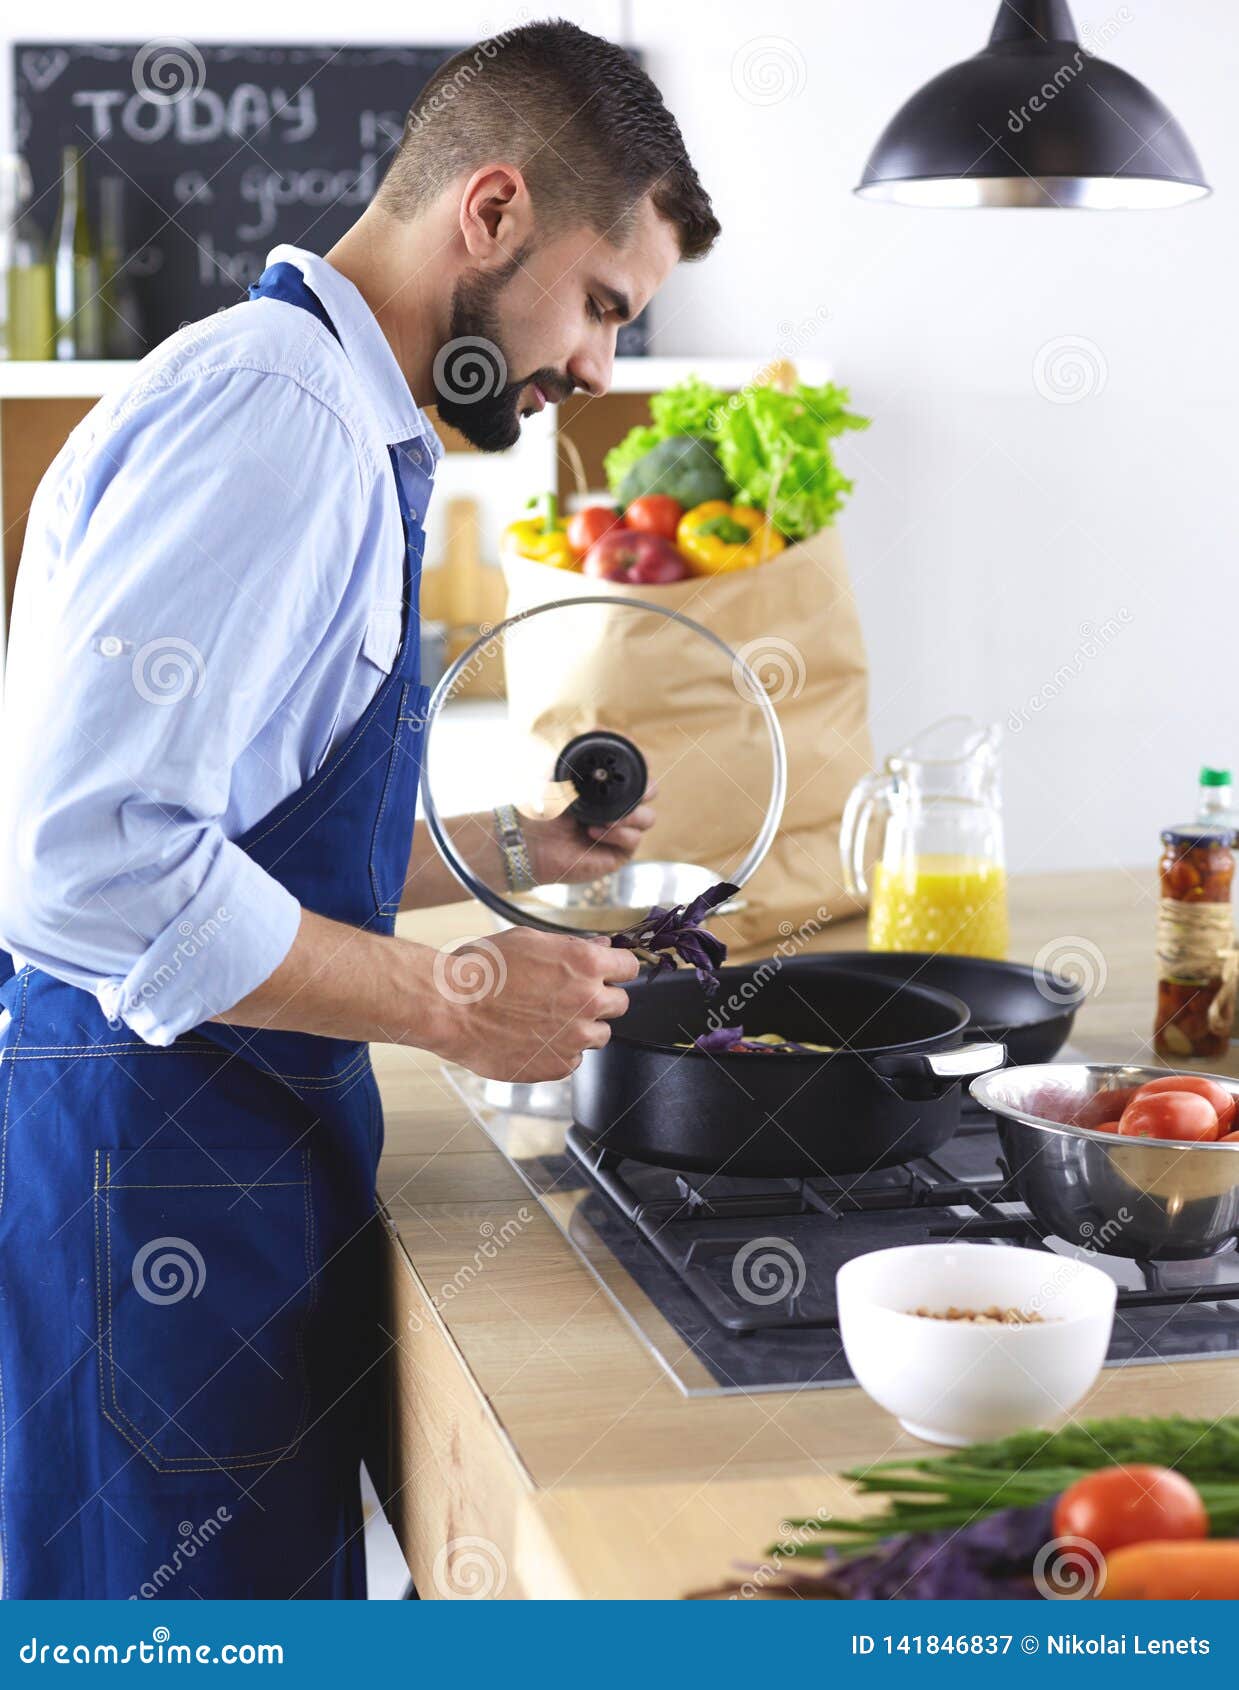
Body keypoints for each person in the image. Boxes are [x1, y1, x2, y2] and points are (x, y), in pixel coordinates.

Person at [0, 19, 719, 1599]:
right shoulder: (285, 422)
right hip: (153, 1175)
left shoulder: (327, 410)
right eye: (603, 303)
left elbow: (239, 840)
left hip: (215, 1163)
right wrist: (455, 997)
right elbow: (85, 867)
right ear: (493, 209)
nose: (601, 368)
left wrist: (515, 852)